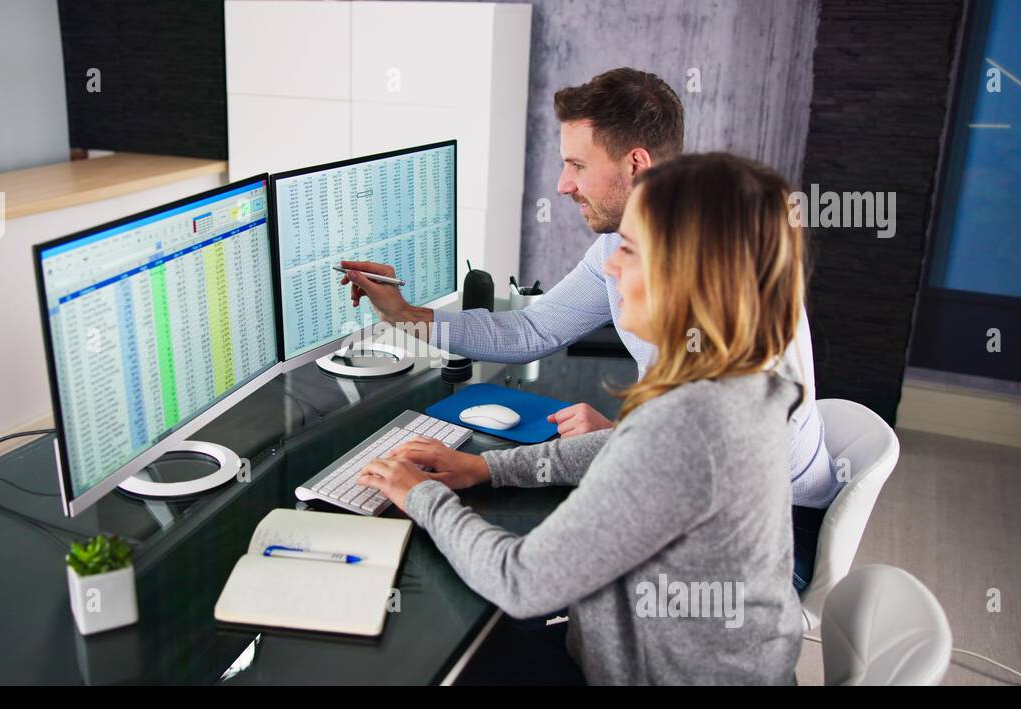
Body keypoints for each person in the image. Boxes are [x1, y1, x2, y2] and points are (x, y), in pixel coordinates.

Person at [342, 69, 839, 589]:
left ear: (636, 164)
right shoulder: (677, 269)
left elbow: (524, 578)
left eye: (577, 164)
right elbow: (533, 330)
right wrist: (408, 317)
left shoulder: (717, 381)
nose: (562, 184)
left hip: (780, 532)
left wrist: (425, 495)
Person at [357, 153, 808, 684]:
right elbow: (626, 448)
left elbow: (521, 580)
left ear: (690, 275)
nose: (612, 266)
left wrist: (422, 497)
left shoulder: (689, 423)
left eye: (631, 251)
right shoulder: (739, 377)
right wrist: (486, 469)